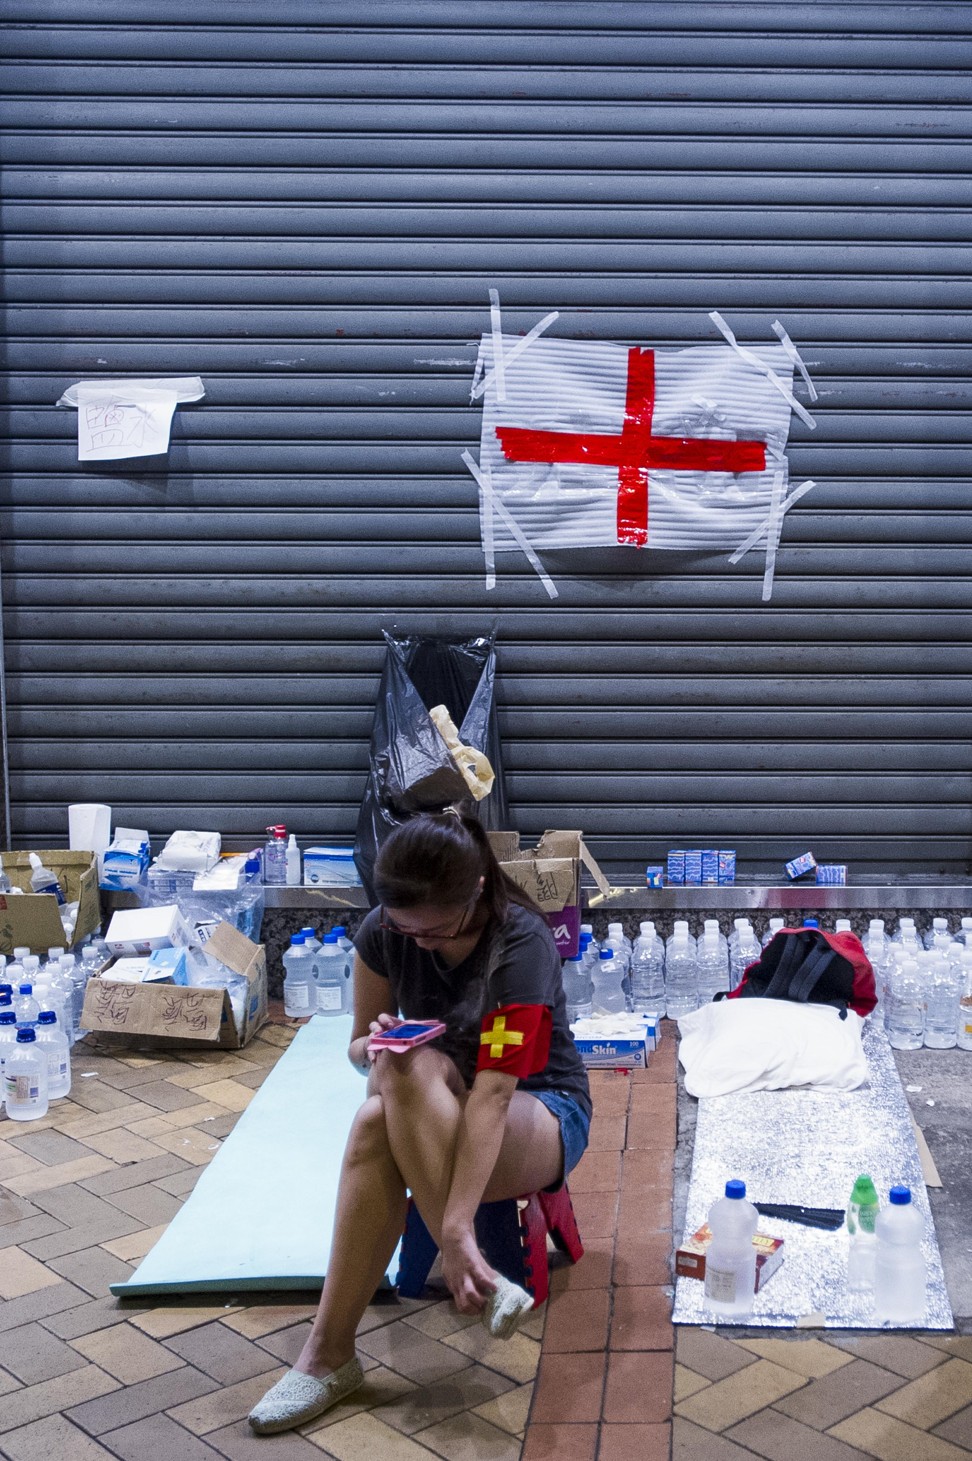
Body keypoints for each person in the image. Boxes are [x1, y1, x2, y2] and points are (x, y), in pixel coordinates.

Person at [249, 810, 592, 1435]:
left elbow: (493, 1092)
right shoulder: (386, 932)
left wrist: (455, 1227)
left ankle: (335, 1350)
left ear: (477, 893)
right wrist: (376, 1044)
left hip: (536, 1106)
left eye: (435, 930)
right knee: (394, 1085)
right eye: (405, 928)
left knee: (383, 1114)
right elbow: (357, 1051)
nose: (418, 941)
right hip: (429, 1100)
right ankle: (328, 1353)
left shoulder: (521, 942)